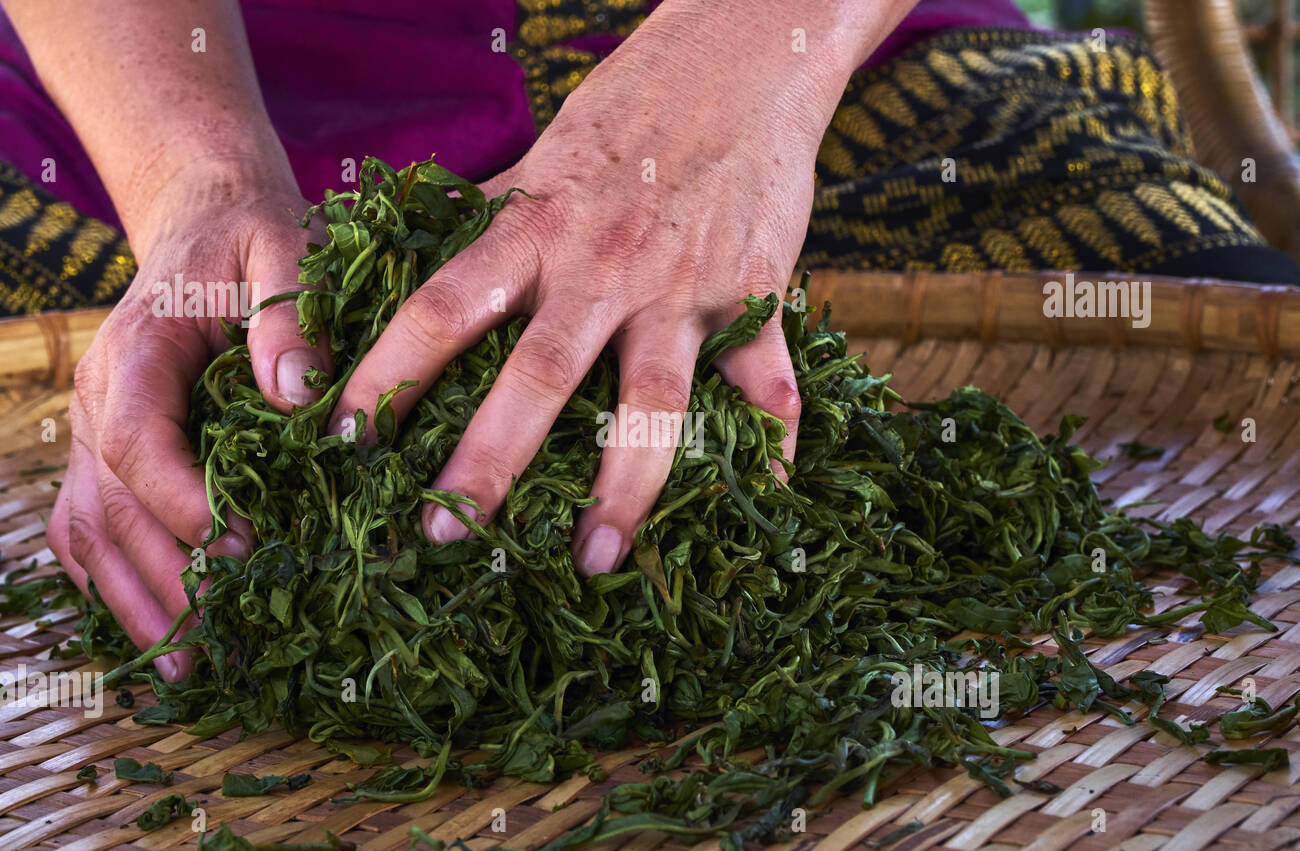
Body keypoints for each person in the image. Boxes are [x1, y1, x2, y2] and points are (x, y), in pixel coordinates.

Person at [1, 0, 1293, 680]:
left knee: (1175, 278)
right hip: (173, 91)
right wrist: (193, 183)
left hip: (816, 60)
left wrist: (745, 72)